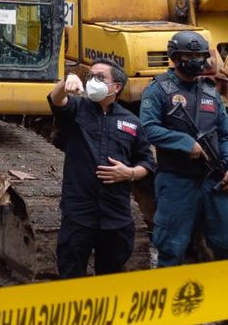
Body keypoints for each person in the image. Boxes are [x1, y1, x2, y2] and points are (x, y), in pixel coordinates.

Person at [140, 31, 228, 325]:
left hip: (214, 182)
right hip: (176, 181)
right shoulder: (158, 90)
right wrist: (183, 142)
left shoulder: (210, 93)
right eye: (191, 57)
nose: (198, 62)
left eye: (201, 57)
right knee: (171, 248)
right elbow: (147, 128)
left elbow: (225, 136)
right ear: (176, 58)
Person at [47, 60, 154, 277]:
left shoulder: (131, 122)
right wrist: (66, 80)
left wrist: (130, 173)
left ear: (116, 87)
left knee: (110, 276)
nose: (93, 81)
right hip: (79, 214)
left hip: (115, 216)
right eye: (90, 76)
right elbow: (56, 100)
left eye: (100, 77)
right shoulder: (77, 109)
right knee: (71, 275)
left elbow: (147, 162)